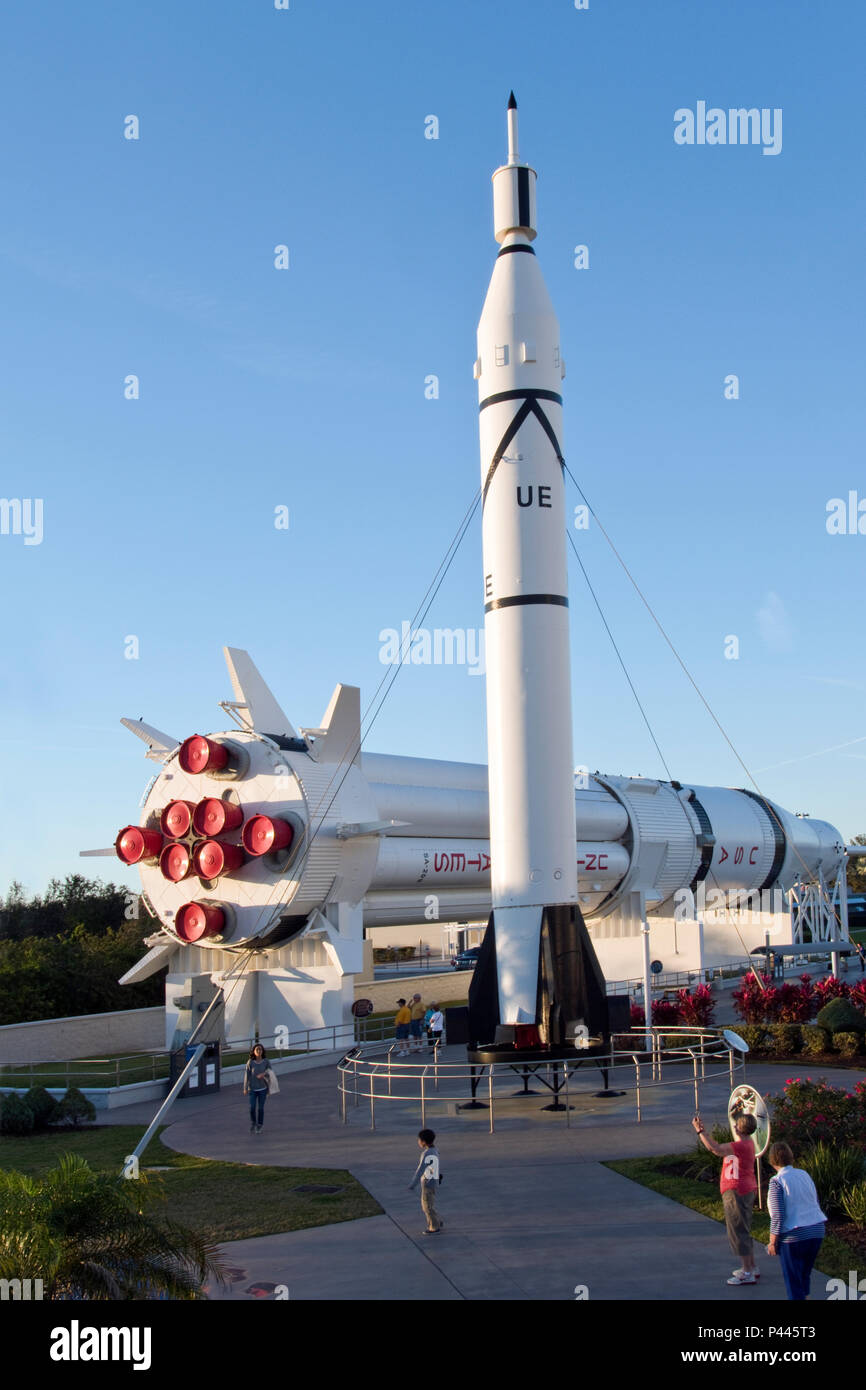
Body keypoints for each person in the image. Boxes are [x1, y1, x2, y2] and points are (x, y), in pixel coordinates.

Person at [693, 1112, 759, 1285]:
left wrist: (700, 1132)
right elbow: (719, 1147)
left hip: (737, 1191)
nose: (734, 1127)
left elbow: (714, 1149)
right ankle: (751, 1266)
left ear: (740, 1128)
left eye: (736, 1125)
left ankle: (746, 1272)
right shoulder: (746, 1144)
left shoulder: (740, 1146)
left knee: (737, 1231)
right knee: (743, 1229)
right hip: (745, 1189)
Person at [766, 1141, 827, 1300]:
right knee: (804, 1275)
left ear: (772, 1161)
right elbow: (814, 1200)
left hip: (794, 1235)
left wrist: (772, 1241)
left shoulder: (777, 1182)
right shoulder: (804, 1174)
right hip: (817, 1230)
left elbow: (778, 1215)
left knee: (793, 1280)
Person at [409, 1128, 443, 1234]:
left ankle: (434, 1226)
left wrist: (412, 1184)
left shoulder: (427, 1153)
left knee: (426, 1206)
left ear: (423, 1141)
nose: (418, 1142)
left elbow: (420, 1170)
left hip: (428, 1183)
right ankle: (437, 1221)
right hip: (433, 1181)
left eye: (419, 1140)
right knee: (430, 1204)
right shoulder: (435, 1150)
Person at [243, 1043, 273, 1134]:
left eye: (260, 1049)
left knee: (260, 1108)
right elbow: (247, 1075)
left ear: (262, 1051)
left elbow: (270, 1072)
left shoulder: (266, 1061)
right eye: (257, 1050)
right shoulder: (250, 1062)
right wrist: (245, 1087)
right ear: (254, 1052)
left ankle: (260, 1125)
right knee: (252, 1108)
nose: (259, 1051)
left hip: (263, 1089)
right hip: (252, 1089)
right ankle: (253, 1123)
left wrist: (263, 1074)